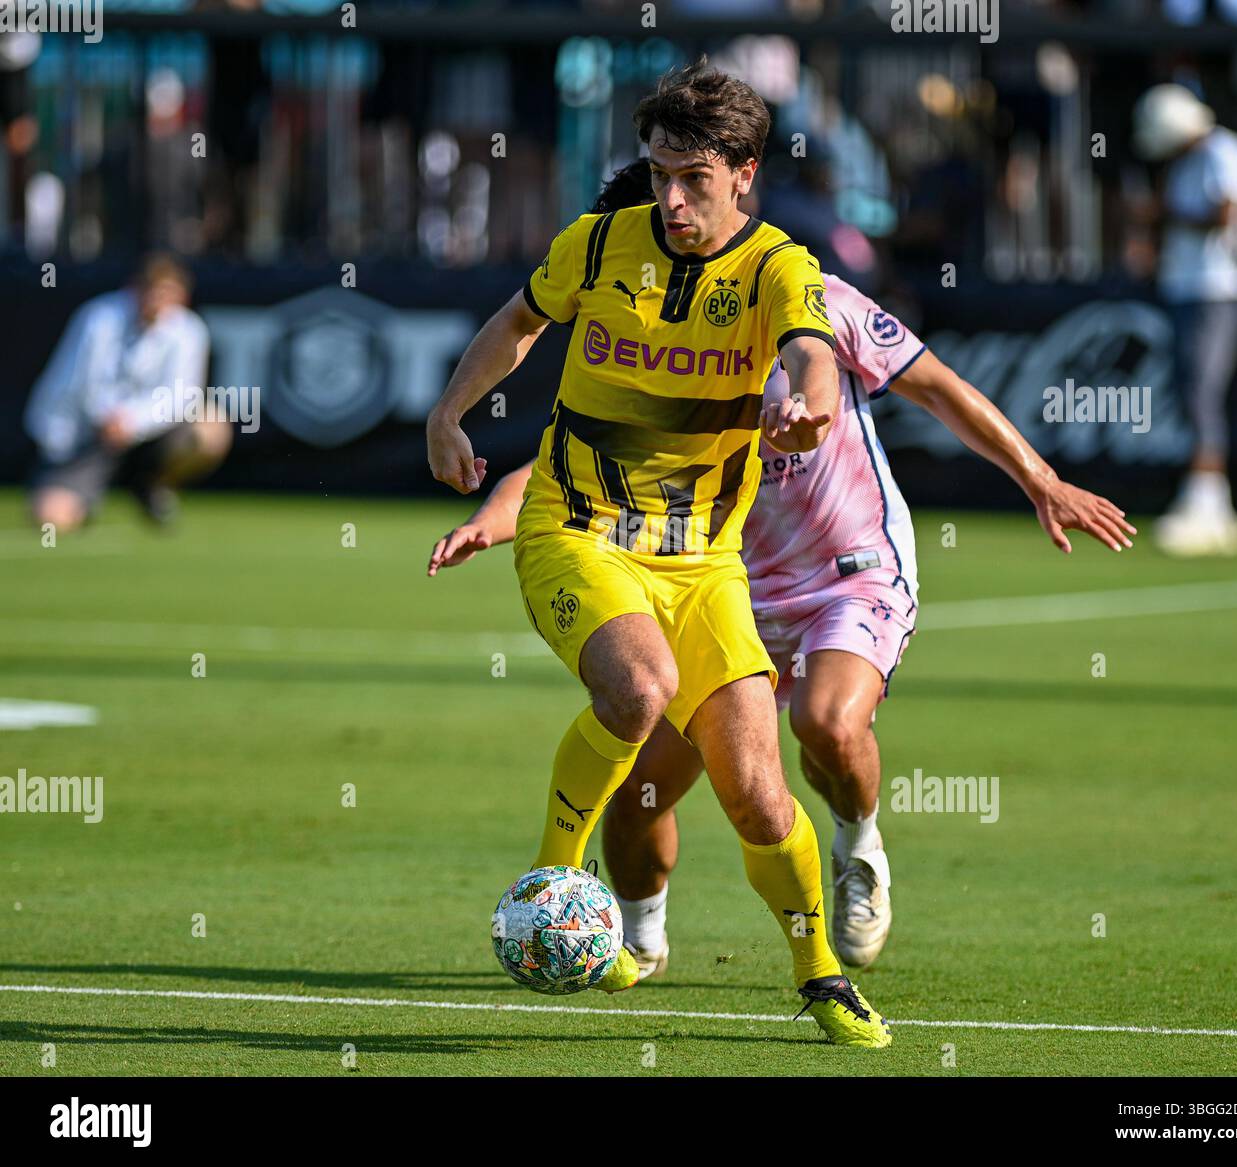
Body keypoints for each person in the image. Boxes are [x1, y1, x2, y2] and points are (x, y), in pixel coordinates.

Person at [430, 158, 1135, 982]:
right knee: (642, 786)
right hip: (723, 578)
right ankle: (635, 935)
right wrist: (490, 518)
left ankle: (858, 842)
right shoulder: (640, 329)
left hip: (851, 567)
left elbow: (939, 388)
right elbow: (572, 457)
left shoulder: (812, 298)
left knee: (827, 724)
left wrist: (1039, 478)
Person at [425, 59, 895, 1049]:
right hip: (579, 530)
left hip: (703, 566)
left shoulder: (777, 268)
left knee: (761, 795)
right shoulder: (596, 243)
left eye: (691, 178)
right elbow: (517, 325)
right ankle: (554, 877)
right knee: (640, 690)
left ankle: (818, 977)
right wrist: (449, 412)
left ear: (744, 173)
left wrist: (809, 396)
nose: (669, 198)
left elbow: (812, 348)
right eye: (657, 174)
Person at [1132, 83, 1237, 557]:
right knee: (1192, 392)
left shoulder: (1226, 149)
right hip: (1185, 289)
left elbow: (1228, 215)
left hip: (1216, 290)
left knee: (1203, 391)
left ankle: (1208, 503)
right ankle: (1209, 501)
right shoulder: (1184, 161)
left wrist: (1164, 213)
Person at [25, 253, 226, 531]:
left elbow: (181, 396)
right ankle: (87, 498)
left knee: (209, 429)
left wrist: (131, 422)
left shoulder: (189, 331)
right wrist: (107, 421)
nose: (156, 301)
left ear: (181, 296)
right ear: (134, 288)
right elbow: (80, 385)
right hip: (84, 439)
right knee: (51, 519)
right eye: (150, 291)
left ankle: (151, 485)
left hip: (144, 439)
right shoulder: (99, 318)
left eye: (167, 293)